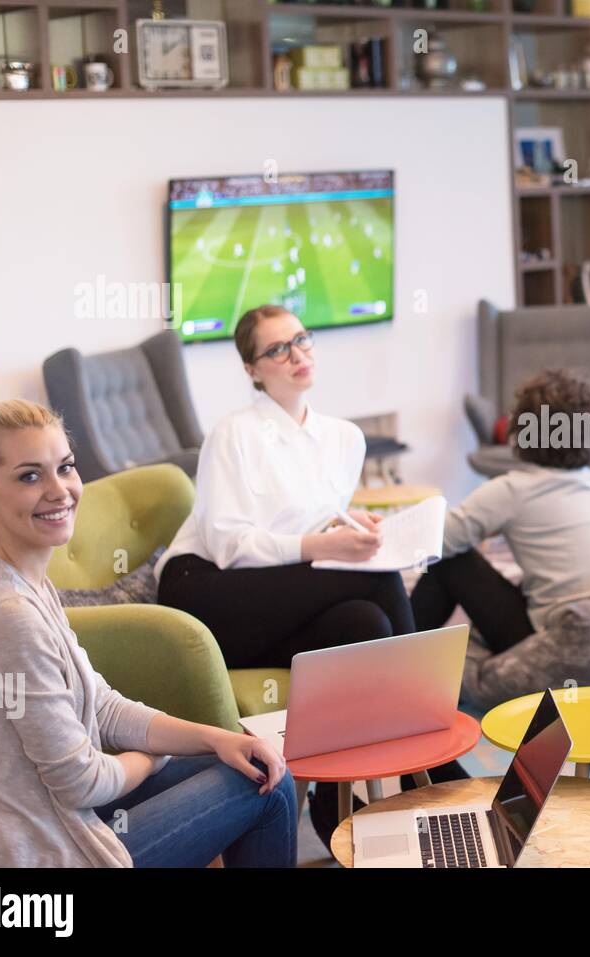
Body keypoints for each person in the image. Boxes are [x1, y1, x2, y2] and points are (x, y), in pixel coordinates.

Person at [0, 398, 296, 867]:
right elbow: (83, 781)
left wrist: (217, 738)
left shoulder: (20, 579)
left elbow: (102, 705)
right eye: (29, 476)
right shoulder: (8, 613)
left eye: (64, 467)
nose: (59, 490)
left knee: (241, 761)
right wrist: (152, 756)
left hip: (49, 816)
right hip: (31, 856)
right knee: (268, 789)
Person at [154, 304, 453, 848]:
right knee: (375, 581)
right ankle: (436, 765)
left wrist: (346, 524)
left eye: (302, 340)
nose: (298, 355)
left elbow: (305, 523)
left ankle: (333, 806)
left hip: (277, 595)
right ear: (252, 369)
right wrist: (327, 543)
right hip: (206, 589)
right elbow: (230, 546)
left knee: (362, 619)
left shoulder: (344, 438)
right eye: (278, 349)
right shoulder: (233, 433)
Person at [411, 368, 590, 653]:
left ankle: (394, 656)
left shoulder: (512, 490)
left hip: (558, 637)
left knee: (451, 561)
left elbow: (432, 542)